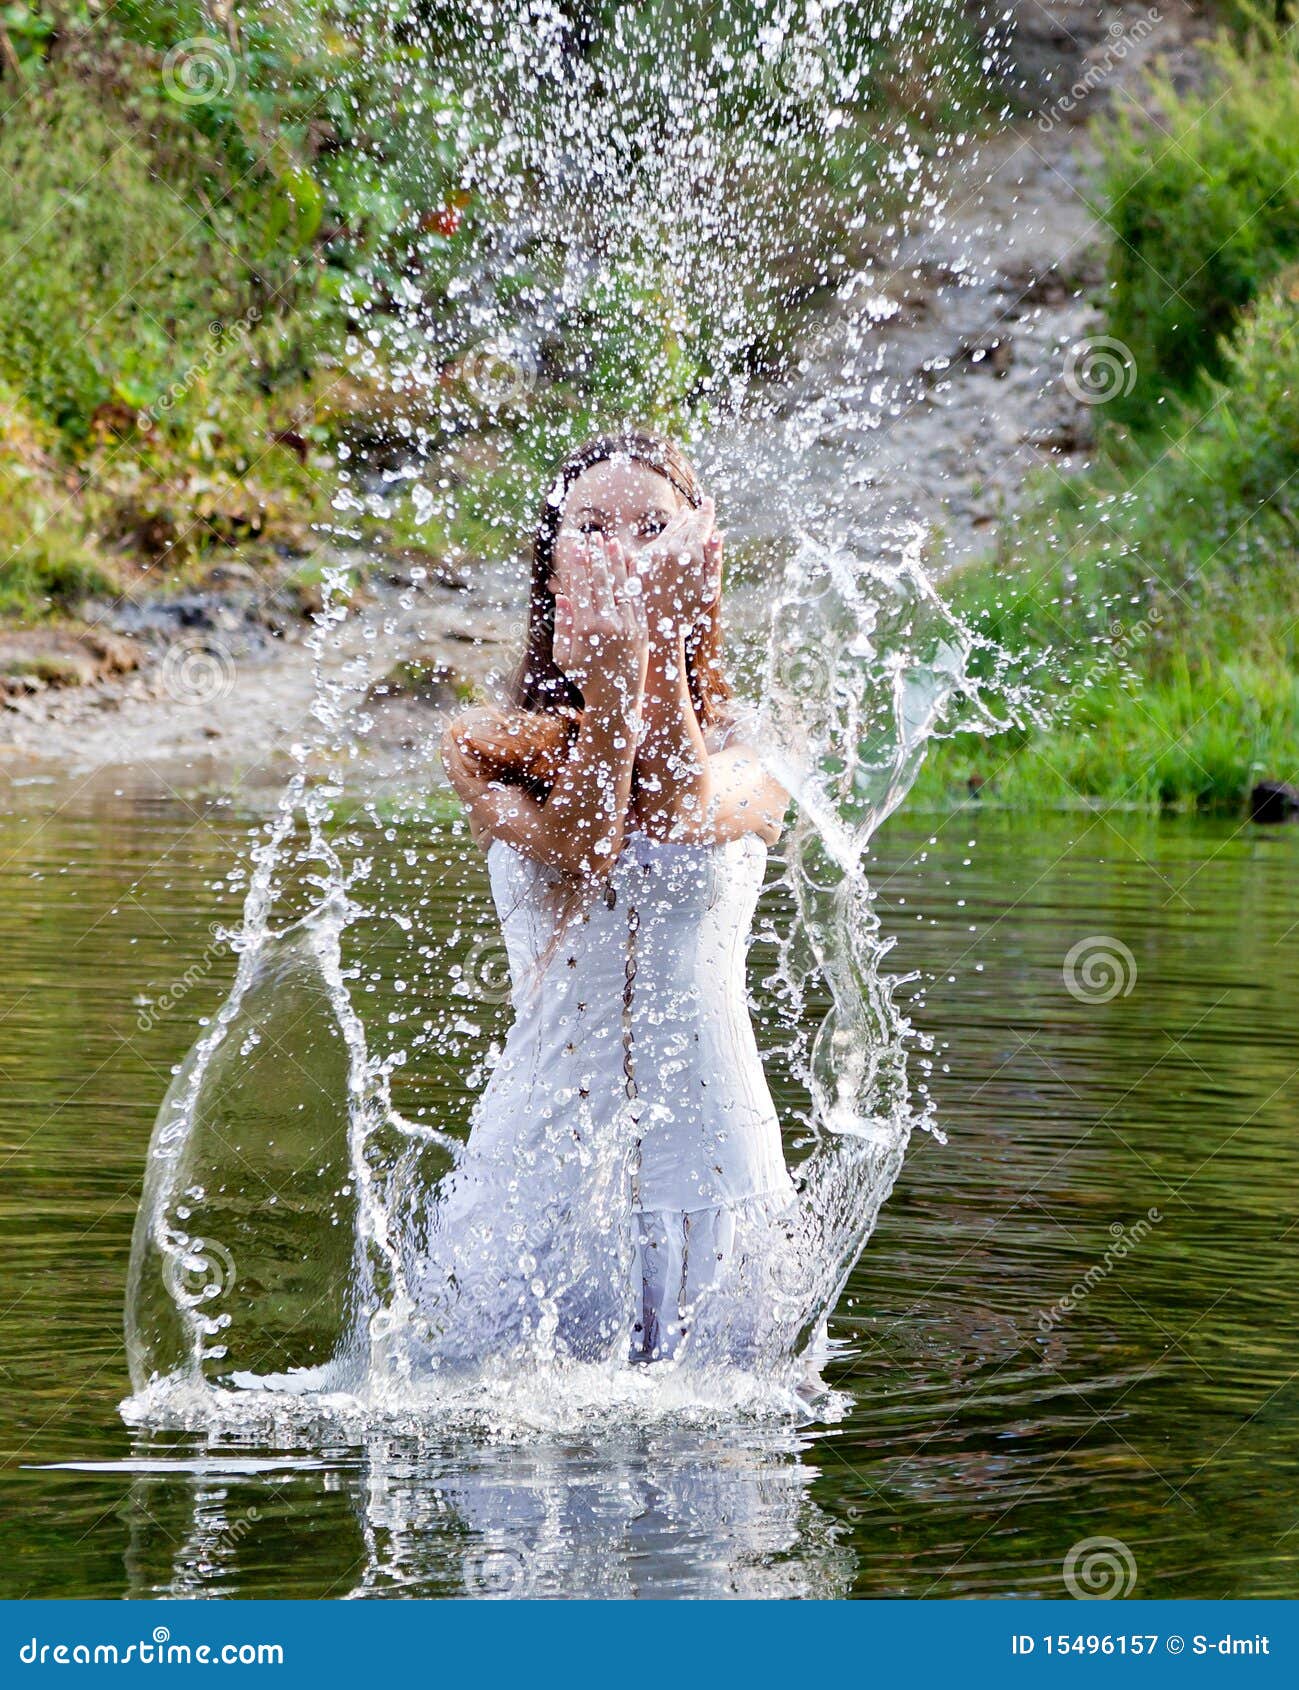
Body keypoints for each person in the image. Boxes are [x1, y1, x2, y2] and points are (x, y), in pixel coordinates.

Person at [425, 430, 799, 1368]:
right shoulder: (481, 745)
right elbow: (584, 845)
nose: (623, 552)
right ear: (552, 576)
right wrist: (612, 686)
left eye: (651, 528)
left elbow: (672, 811)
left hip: (721, 1183)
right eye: (592, 528)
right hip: (533, 1187)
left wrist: (652, 655)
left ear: (699, 570)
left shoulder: (762, 753)